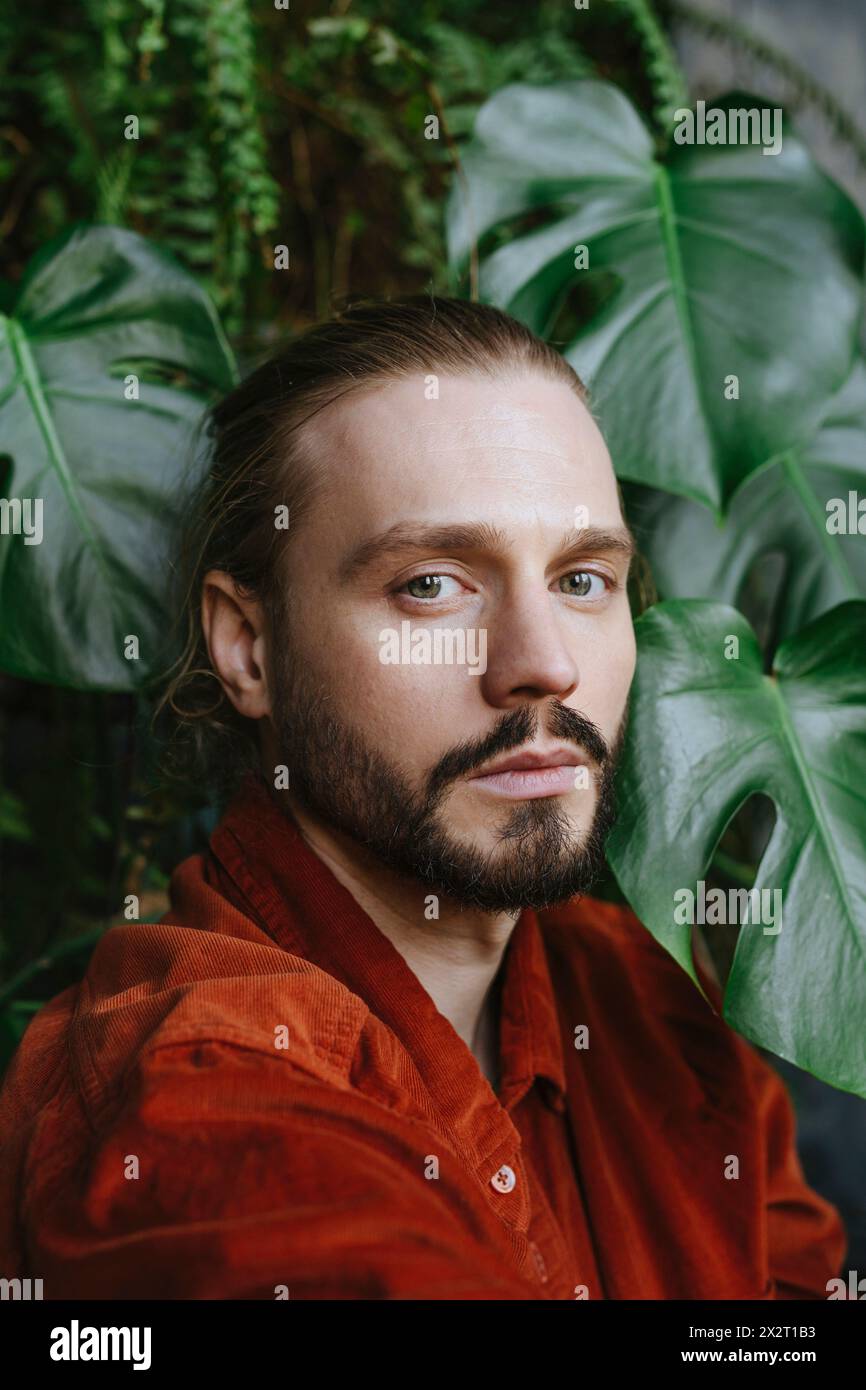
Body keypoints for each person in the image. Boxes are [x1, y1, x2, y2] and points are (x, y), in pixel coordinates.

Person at [0, 296, 846, 1299]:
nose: (542, 667)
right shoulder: (199, 1101)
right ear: (248, 646)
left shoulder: (644, 999)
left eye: (581, 579)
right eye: (433, 585)